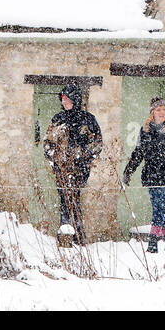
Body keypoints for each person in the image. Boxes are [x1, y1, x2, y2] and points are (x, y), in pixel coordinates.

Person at [122, 97, 165, 253]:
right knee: (159, 207)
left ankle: (153, 241)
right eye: (158, 109)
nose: (162, 112)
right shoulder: (145, 131)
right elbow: (138, 153)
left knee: (159, 206)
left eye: (164, 109)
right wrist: (128, 172)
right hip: (152, 176)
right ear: (152, 113)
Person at [43, 82, 103, 244]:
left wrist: (82, 156)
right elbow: (48, 143)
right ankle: (67, 235)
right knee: (65, 199)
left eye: (67, 99)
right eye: (62, 99)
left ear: (75, 99)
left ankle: (77, 236)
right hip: (61, 168)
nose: (64, 102)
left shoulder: (87, 119)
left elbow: (97, 143)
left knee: (74, 199)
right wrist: (55, 159)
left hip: (80, 169)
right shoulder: (58, 119)